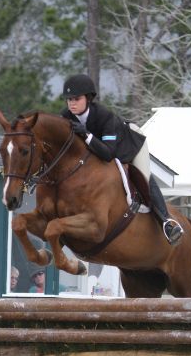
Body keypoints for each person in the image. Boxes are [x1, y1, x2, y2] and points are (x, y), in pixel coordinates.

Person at [60, 74, 183, 245]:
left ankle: (167, 222)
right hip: (99, 151)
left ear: (88, 98)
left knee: (143, 177)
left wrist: (85, 134)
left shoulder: (104, 116)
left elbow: (108, 154)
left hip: (129, 145)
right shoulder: (65, 117)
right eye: (69, 99)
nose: (71, 103)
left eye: (76, 99)